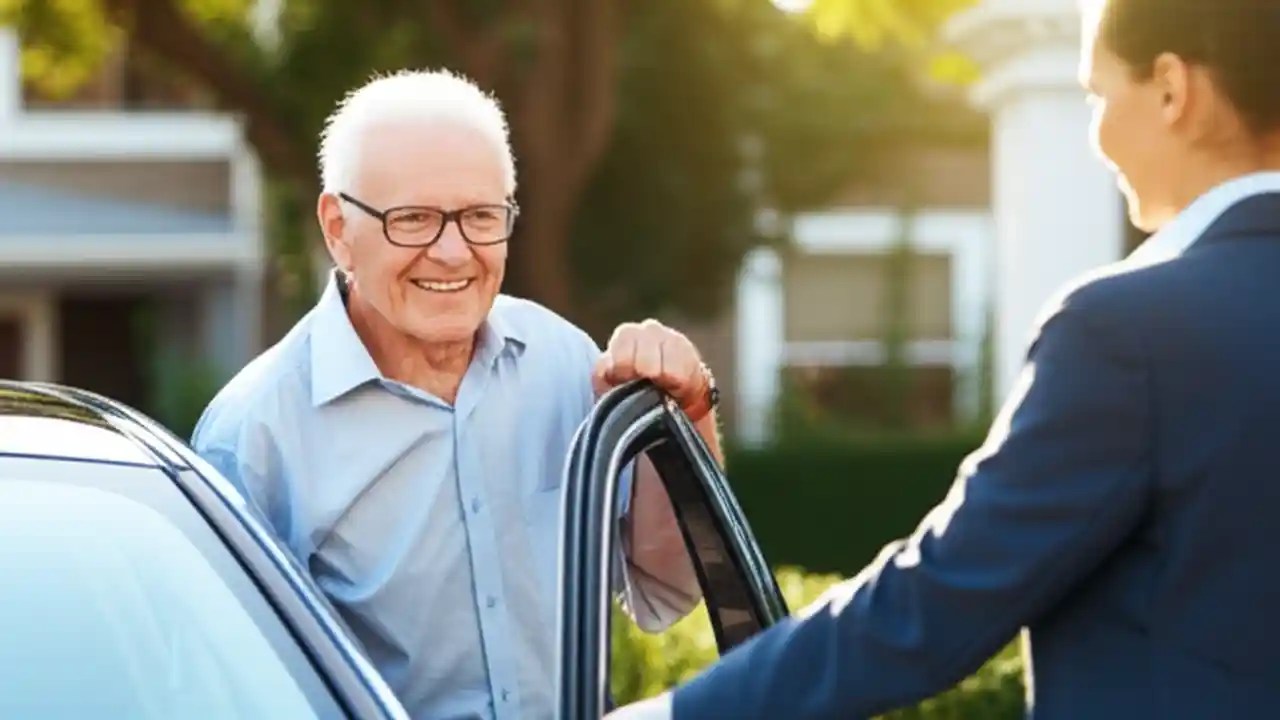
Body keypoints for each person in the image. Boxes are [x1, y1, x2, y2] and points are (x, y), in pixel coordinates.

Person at [609, 0, 1280, 717]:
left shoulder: (1129, 331)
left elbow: (939, 599)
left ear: (1173, 90)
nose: (1099, 134)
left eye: (1099, 95)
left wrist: (677, 714)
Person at [192, 69, 715, 719]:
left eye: (479, 216)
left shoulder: (567, 363)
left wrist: (686, 410)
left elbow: (673, 585)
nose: (451, 252)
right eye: (413, 219)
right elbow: (235, 694)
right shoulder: (252, 438)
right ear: (337, 228)